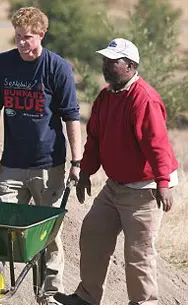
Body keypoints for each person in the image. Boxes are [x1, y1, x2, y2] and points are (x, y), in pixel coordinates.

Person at [54, 38, 179, 305]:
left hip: (145, 189)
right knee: (93, 233)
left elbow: (157, 144)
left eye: (113, 62)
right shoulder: (105, 97)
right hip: (115, 186)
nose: (106, 66)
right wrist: (85, 172)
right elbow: (95, 139)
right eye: (105, 61)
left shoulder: (144, 99)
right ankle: (87, 298)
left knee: (138, 253)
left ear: (130, 66)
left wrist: (163, 182)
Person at [0, 7, 82, 304]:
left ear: (41, 35)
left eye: (27, 37)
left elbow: (71, 116)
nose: (22, 43)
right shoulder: (4, 64)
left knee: (49, 235)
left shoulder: (57, 68)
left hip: (48, 165)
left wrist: (77, 161)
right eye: (18, 37)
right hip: (11, 163)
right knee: (0, 229)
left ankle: (48, 294)